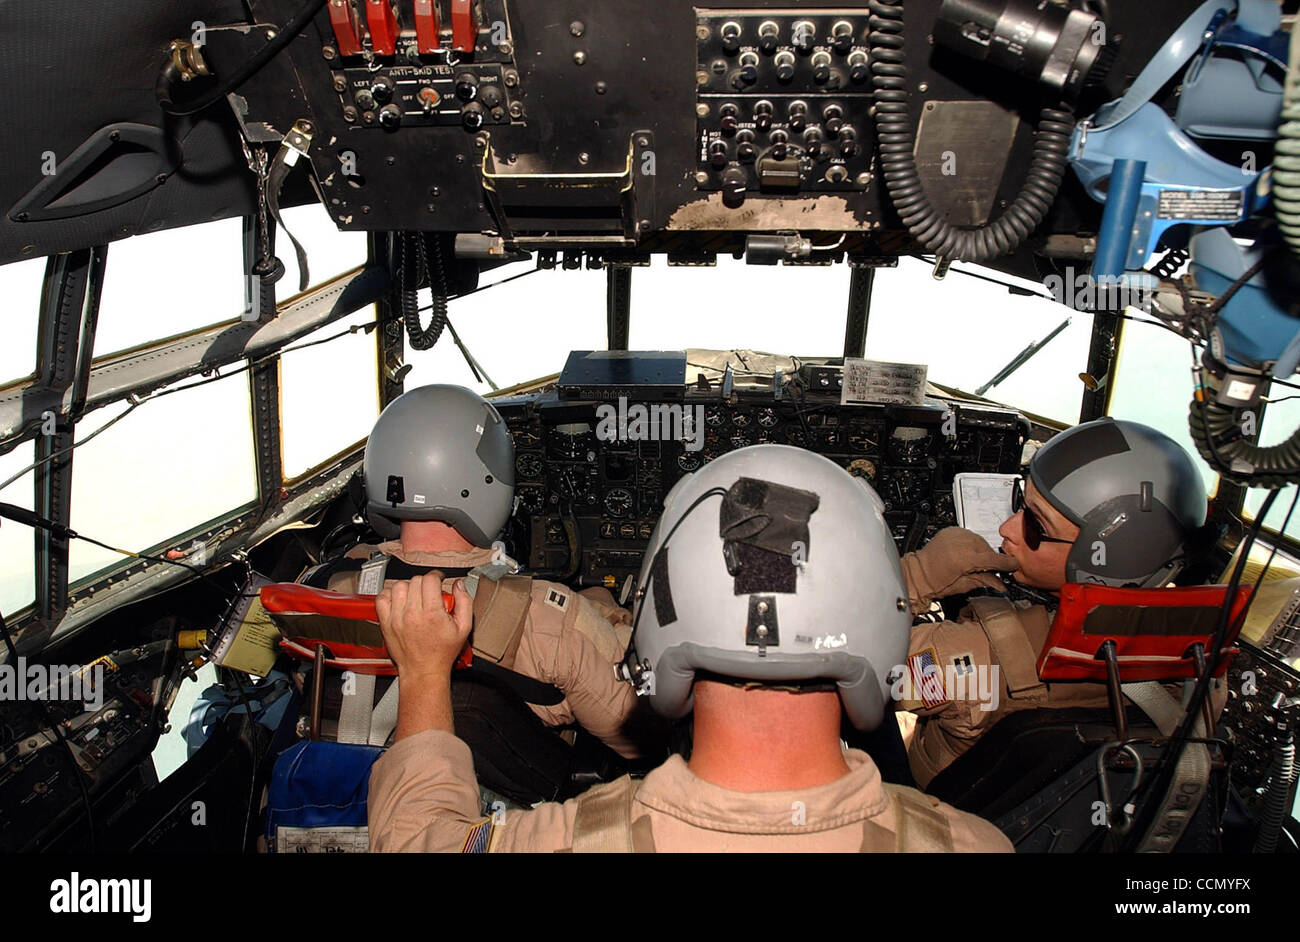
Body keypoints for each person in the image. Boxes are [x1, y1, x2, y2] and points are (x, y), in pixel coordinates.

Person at [367, 444, 1013, 852]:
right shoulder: (971, 842)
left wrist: (424, 670)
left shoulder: (569, 838)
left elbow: (414, 839)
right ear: (881, 622)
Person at [310, 384, 647, 759]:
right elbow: (635, 732)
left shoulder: (323, 590)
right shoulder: (549, 619)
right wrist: (618, 622)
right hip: (495, 812)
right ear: (485, 483)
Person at [898, 417, 1215, 787]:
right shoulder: (1200, 653)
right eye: (1021, 503)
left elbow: (840, 671)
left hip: (932, 801)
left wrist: (915, 577)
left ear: (1099, 563)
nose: (1007, 529)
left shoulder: (963, 660)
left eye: (1037, 526)